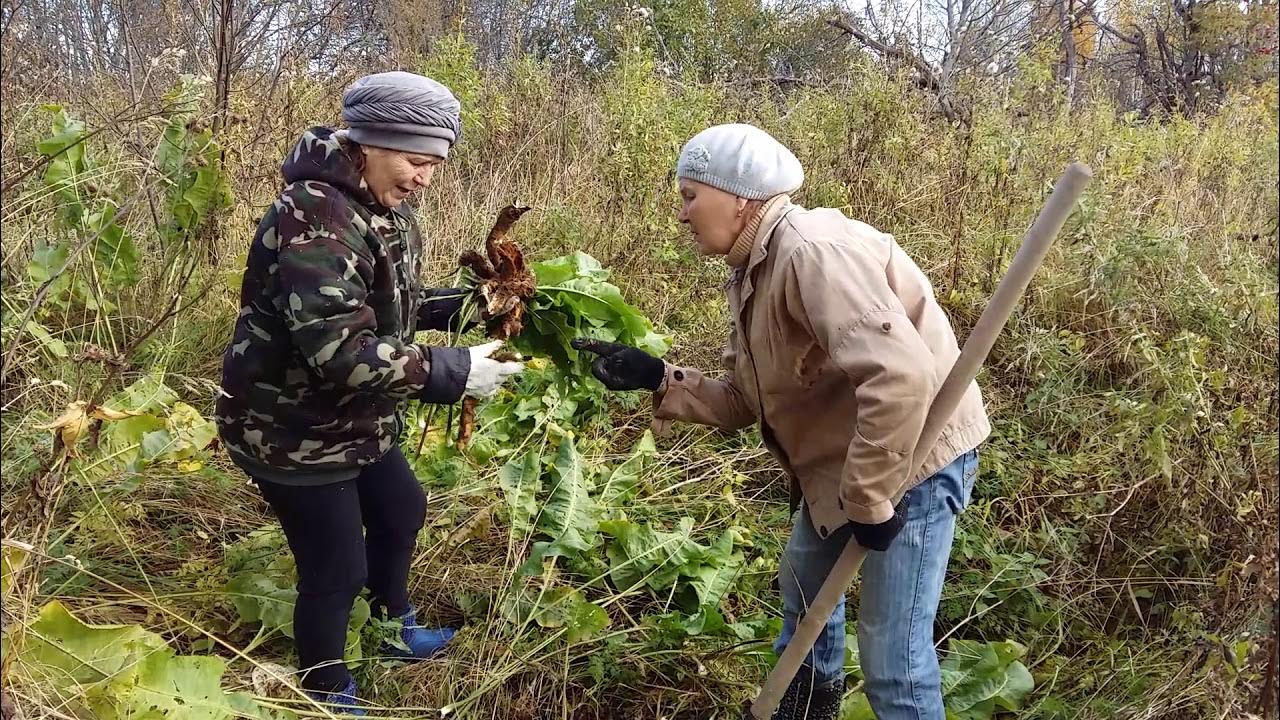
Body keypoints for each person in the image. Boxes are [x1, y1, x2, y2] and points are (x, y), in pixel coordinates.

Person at [574, 124, 990, 720]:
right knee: (804, 600)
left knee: (892, 661)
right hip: (847, 463)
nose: (682, 214)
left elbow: (900, 379)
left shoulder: (811, 252)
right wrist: (659, 378)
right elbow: (750, 401)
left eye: (690, 196)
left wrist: (871, 499)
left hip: (912, 459)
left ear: (738, 197)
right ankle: (804, 710)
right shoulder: (753, 268)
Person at [215, 71, 524, 714]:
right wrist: (452, 371)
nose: (424, 179)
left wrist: (474, 304)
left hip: (353, 419)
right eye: (416, 160)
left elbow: (387, 311)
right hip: (290, 428)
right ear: (371, 143)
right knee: (336, 570)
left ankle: (389, 628)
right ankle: (326, 686)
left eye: (435, 164)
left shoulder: (380, 209)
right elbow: (342, 352)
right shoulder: (316, 215)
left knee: (401, 508)